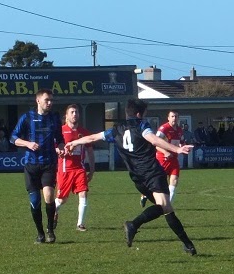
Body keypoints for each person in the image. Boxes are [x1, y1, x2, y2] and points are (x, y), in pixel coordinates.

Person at [63, 99, 197, 255]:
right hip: (152, 172)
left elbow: (93, 138)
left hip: (137, 178)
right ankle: (133, 224)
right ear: (139, 114)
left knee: (166, 208)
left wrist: (74, 143)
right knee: (164, 207)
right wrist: (177, 150)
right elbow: (153, 140)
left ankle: (188, 245)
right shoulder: (142, 126)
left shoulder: (116, 130)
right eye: (145, 114)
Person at [11, 89, 65, 244]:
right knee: (35, 201)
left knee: (48, 196)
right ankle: (40, 233)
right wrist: (27, 143)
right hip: (31, 165)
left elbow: (59, 138)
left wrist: (61, 147)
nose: (50, 103)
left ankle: (50, 230)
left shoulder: (54, 118)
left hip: (48, 163)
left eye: (52, 100)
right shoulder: (27, 117)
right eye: (47, 100)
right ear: (38, 101)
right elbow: (13, 137)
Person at [55, 104, 95, 231]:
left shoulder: (84, 133)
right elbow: (54, 148)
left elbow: (90, 152)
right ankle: (53, 213)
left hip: (80, 169)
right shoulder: (61, 131)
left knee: (83, 193)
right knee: (62, 199)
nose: (74, 114)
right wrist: (60, 151)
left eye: (76, 112)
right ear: (66, 116)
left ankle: (80, 224)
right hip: (65, 169)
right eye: (71, 112)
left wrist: (92, 170)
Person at [155, 110, 185, 203]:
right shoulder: (163, 129)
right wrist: (165, 152)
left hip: (174, 159)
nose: (174, 118)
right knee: (158, 183)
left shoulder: (180, 130)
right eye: (172, 116)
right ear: (168, 118)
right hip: (162, 159)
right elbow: (156, 144)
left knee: (174, 180)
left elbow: (181, 142)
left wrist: (183, 147)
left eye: (176, 116)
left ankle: (168, 204)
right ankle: (145, 194)